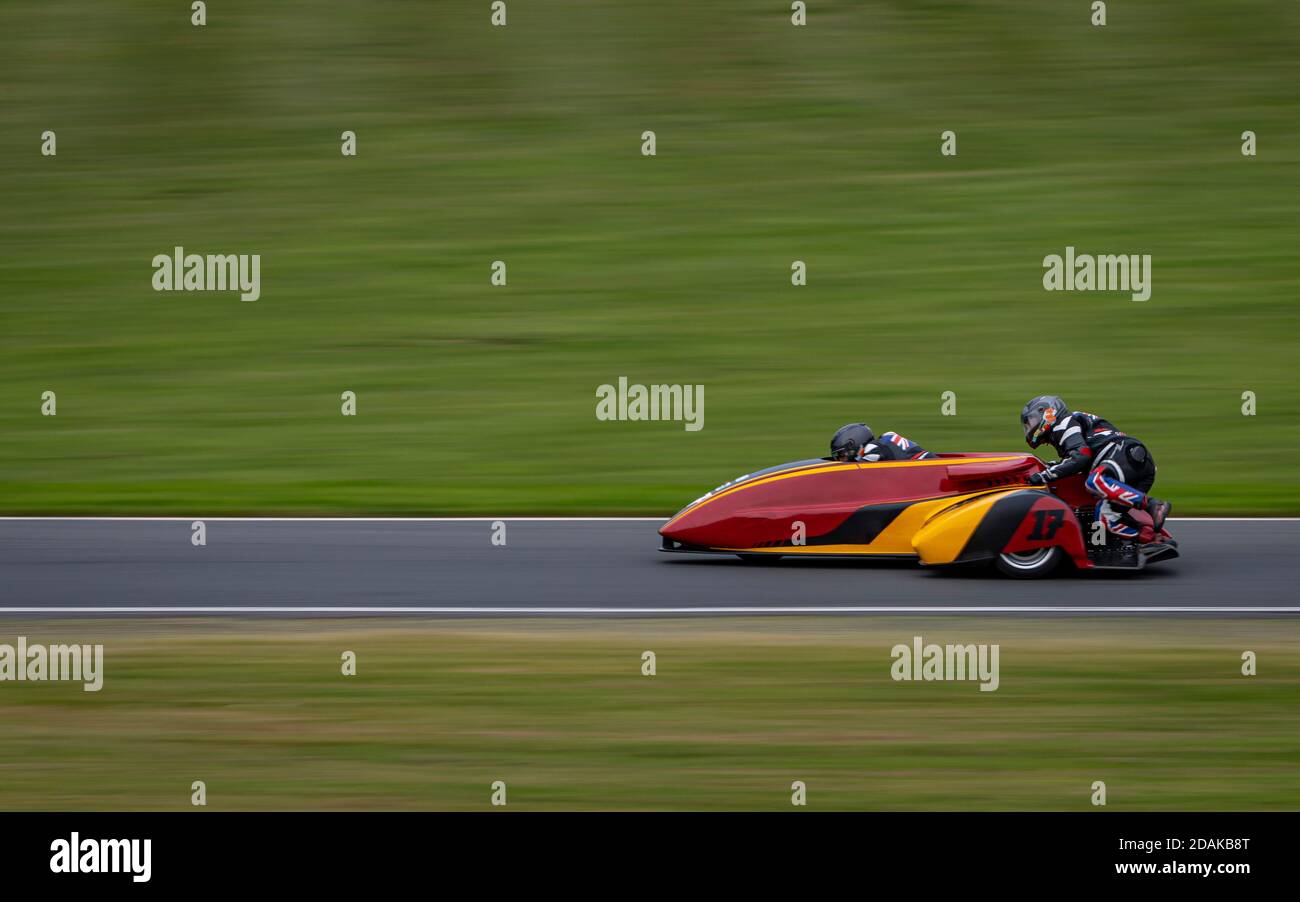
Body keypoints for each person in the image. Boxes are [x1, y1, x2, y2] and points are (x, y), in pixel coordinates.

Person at [1019, 395, 1171, 537]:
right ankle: (1147, 538)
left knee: (1095, 481)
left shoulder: (1064, 423)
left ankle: (1152, 505)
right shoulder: (1063, 432)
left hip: (1125, 453)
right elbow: (1075, 459)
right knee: (1104, 519)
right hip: (1128, 466)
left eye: (1031, 421)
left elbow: (1080, 458)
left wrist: (1044, 475)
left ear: (1046, 413)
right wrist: (1052, 467)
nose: (1030, 428)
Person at [829, 423, 935, 463]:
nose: (840, 460)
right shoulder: (884, 440)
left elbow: (858, 474)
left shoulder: (873, 449)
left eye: (842, 456)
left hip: (931, 471)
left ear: (854, 445)